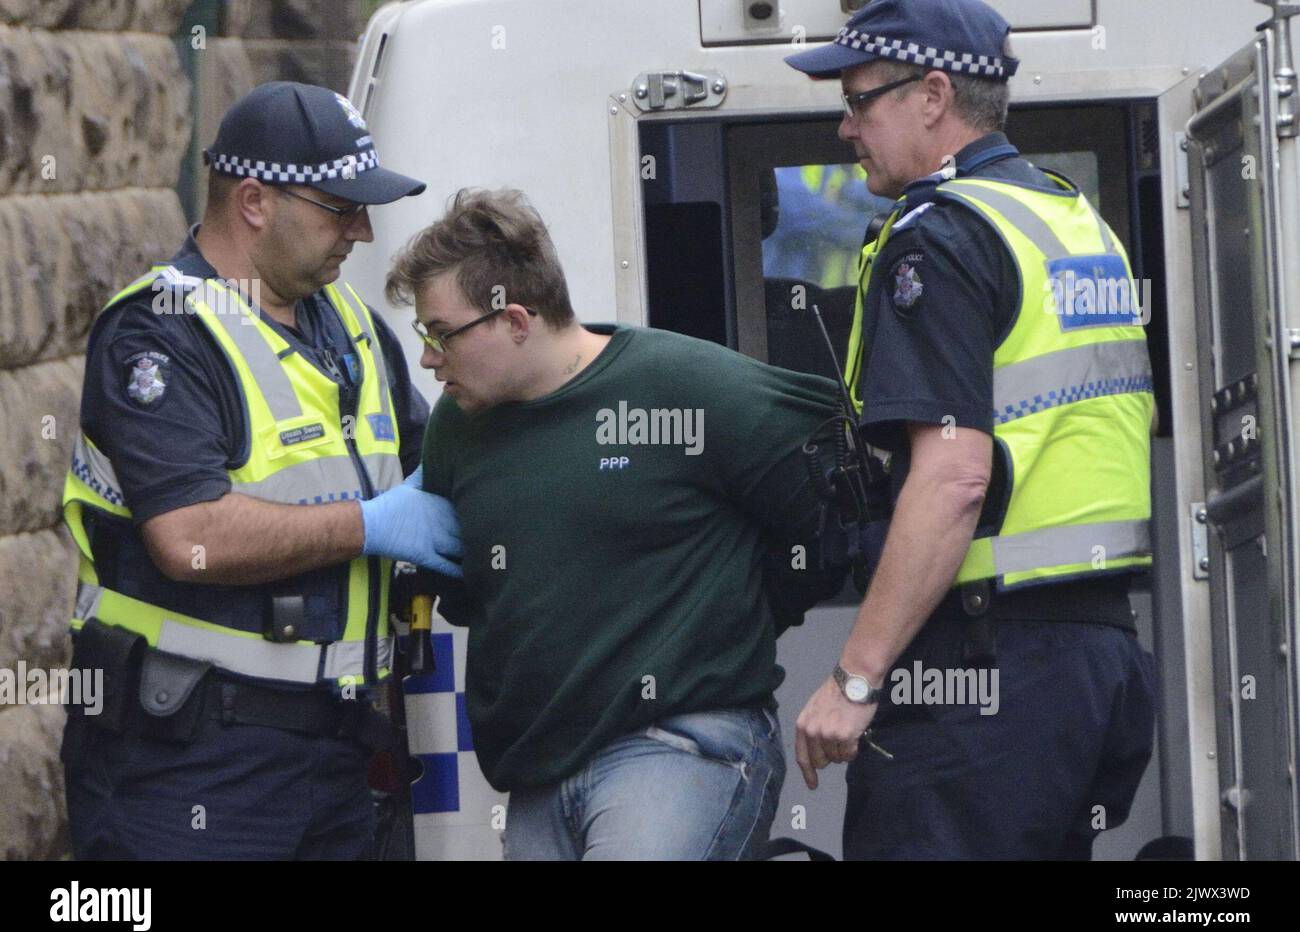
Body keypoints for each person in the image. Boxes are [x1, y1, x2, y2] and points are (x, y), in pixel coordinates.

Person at [785, 0, 1158, 859]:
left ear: (934, 94)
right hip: (1097, 659)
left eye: (859, 99)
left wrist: (854, 676)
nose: (845, 127)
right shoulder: (1071, 223)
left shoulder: (943, 233)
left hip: (987, 667)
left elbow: (954, 478)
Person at [60, 82, 463, 860]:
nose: (362, 230)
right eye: (340, 208)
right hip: (190, 759)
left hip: (338, 751)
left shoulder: (348, 322)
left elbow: (433, 458)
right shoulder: (158, 333)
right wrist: (370, 525)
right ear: (253, 200)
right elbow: (187, 536)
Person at [387, 188, 847, 860]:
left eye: (439, 334)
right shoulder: (457, 430)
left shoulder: (682, 386)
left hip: (678, 744)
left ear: (514, 319)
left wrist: (734, 613)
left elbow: (833, 500)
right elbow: (475, 592)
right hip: (536, 776)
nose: (429, 359)